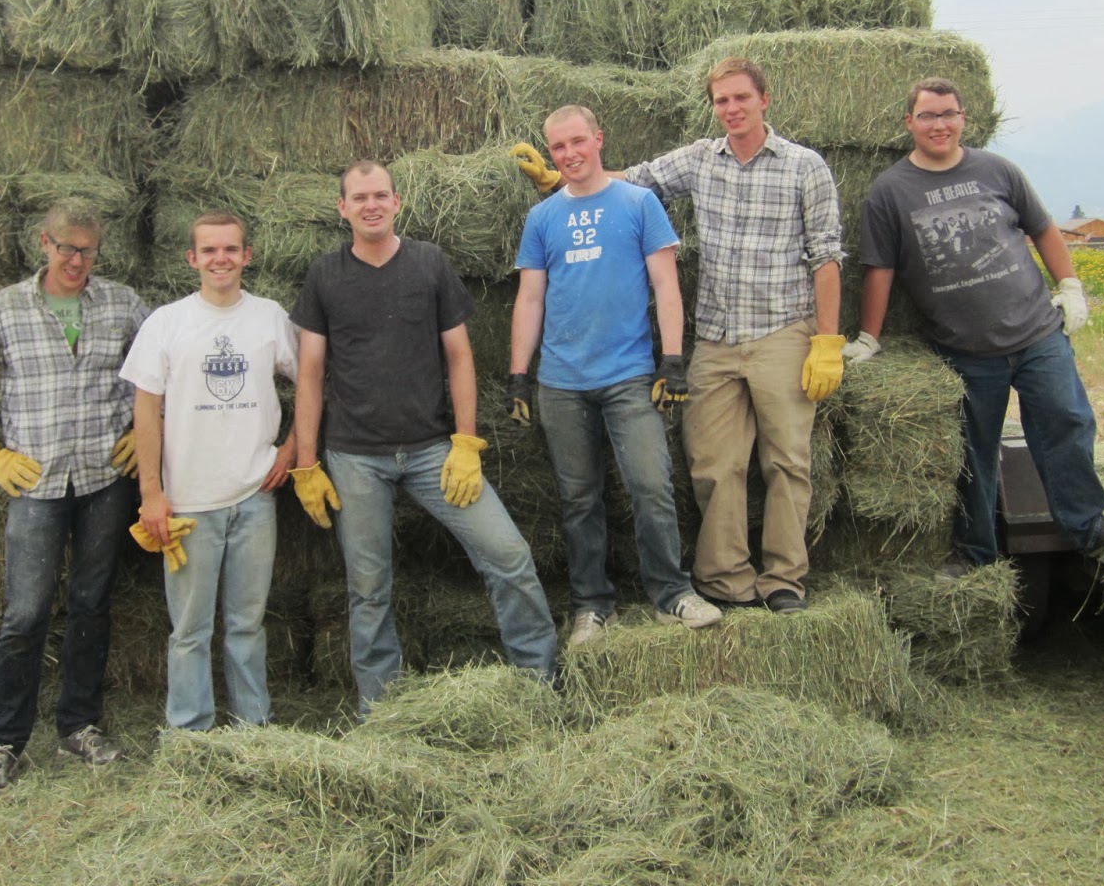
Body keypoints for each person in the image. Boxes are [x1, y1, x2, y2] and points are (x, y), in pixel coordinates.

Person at [514, 55, 845, 614]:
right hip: (714, 335)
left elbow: (828, 255)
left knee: (786, 460)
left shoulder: (803, 165)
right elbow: (634, 178)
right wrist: (567, 178)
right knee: (715, 464)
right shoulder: (699, 158)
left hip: (782, 328)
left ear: (764, 99)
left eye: (741, 98)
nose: (732, 109)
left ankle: (784, 579)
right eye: (721, 101)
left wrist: (828, 341)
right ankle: (725, 578)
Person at [288, 161, 559, 714]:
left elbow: (459, 355)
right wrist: (307, 464)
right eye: (359, 197)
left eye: (380, 195)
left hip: (433, 450)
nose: (371, 205)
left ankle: (538, 682)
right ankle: (380, 708)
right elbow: (310, 374)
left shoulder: (428, 262)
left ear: (397, 202)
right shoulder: (325, 275)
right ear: (342, 208)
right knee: (368, 587)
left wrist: (465, 442)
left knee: (508, 553)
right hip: (354, 456)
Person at [845, 77, 1104, 571]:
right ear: (909, 123)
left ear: (964, 118)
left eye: (947, 114)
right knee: (973, 456)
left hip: (1037, 333)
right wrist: (870, 336)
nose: (939, 124)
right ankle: (975, 554)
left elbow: (1043, 229)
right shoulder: (890, 190)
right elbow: (880, 268)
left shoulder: (998, 169)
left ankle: (1087, 526)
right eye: (927, 116)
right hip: (966, 349)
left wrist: (1070, 286)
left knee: (1066, 423)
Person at [0, 199, 148, 796]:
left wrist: (143, 431)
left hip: (105, 480)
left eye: (87, 249)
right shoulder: (7, 308)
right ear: (44, 243)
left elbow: (162, 370)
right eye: (67, 247)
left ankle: (78, 725)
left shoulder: (123, 303)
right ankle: (1, 742)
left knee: (91, 603)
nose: (77, 260)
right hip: (37, 484)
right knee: (25, 614)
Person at [508, 105, 722, 645]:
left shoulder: (639, 202)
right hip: (561, 381)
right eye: (558, 147)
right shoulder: (543, 218)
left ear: (599, 139)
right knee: (579, 499)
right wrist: (518, 375)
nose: (569, 154)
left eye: (577, 141)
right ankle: (591, 605)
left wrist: (672, 360)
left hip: (629, 375)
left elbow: (666, 286)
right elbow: (530, 298)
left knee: (651, 486)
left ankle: (672, 593)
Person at [119, 212, 298, 730]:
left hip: (254, 495)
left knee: (247, 623)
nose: (221, 259)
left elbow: (311, 379)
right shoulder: (167, 323)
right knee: (190, 629)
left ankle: (253, 726)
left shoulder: (268, 317)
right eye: (210, 250)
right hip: (190, 502)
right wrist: (151, 493)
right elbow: (146, 411)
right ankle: (190, 731)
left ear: (248, 255)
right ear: (191, 259)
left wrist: (292, 449)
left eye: (231, 249)